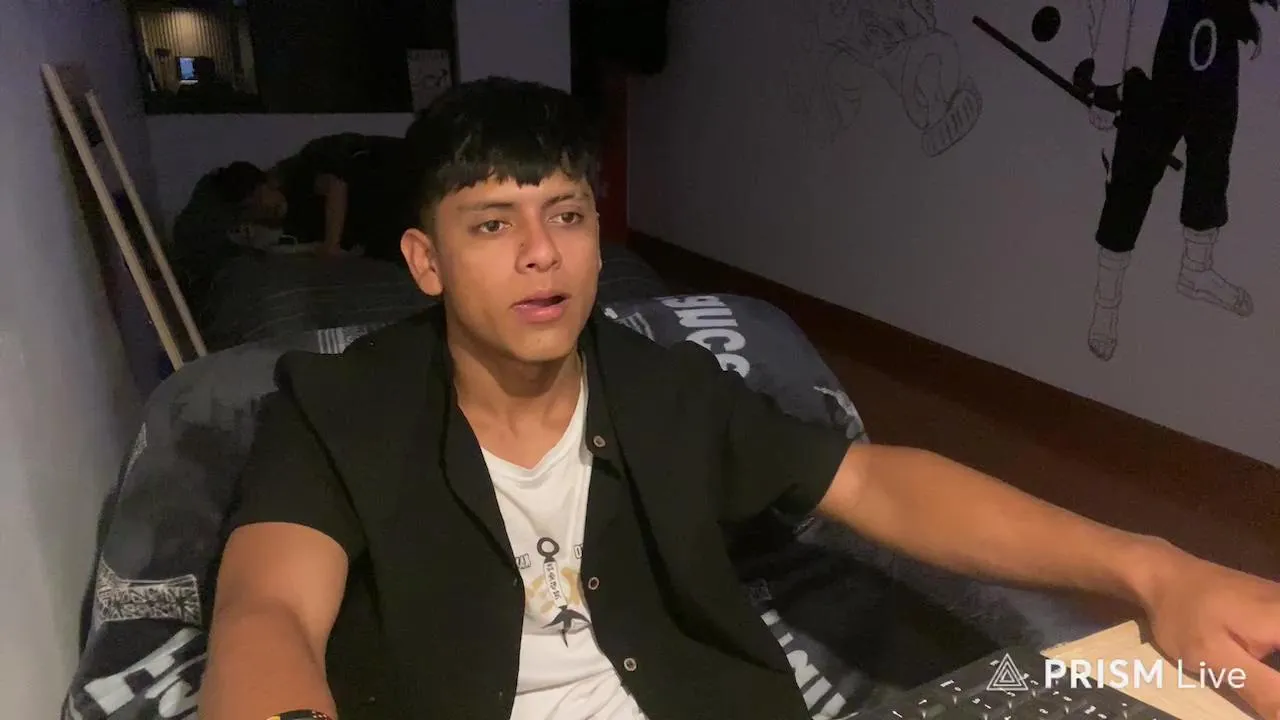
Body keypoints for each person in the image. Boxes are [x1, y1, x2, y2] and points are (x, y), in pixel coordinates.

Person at [200, 77, 1280, 720]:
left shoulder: (665, 387)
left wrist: (1155, 566)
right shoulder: (340, 404)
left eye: (566, 215)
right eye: (491, 225)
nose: (541, 253)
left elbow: (873, 484)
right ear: (424, 262)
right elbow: (267, 611)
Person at [216, 134, 414, 261]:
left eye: (259, 198)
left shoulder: (298, 174)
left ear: (267, 183)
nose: (263, 208)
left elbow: (336, 185)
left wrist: (332, 243)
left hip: (386, 182)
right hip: (379, 224)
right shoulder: (292, 226)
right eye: (254, 210)